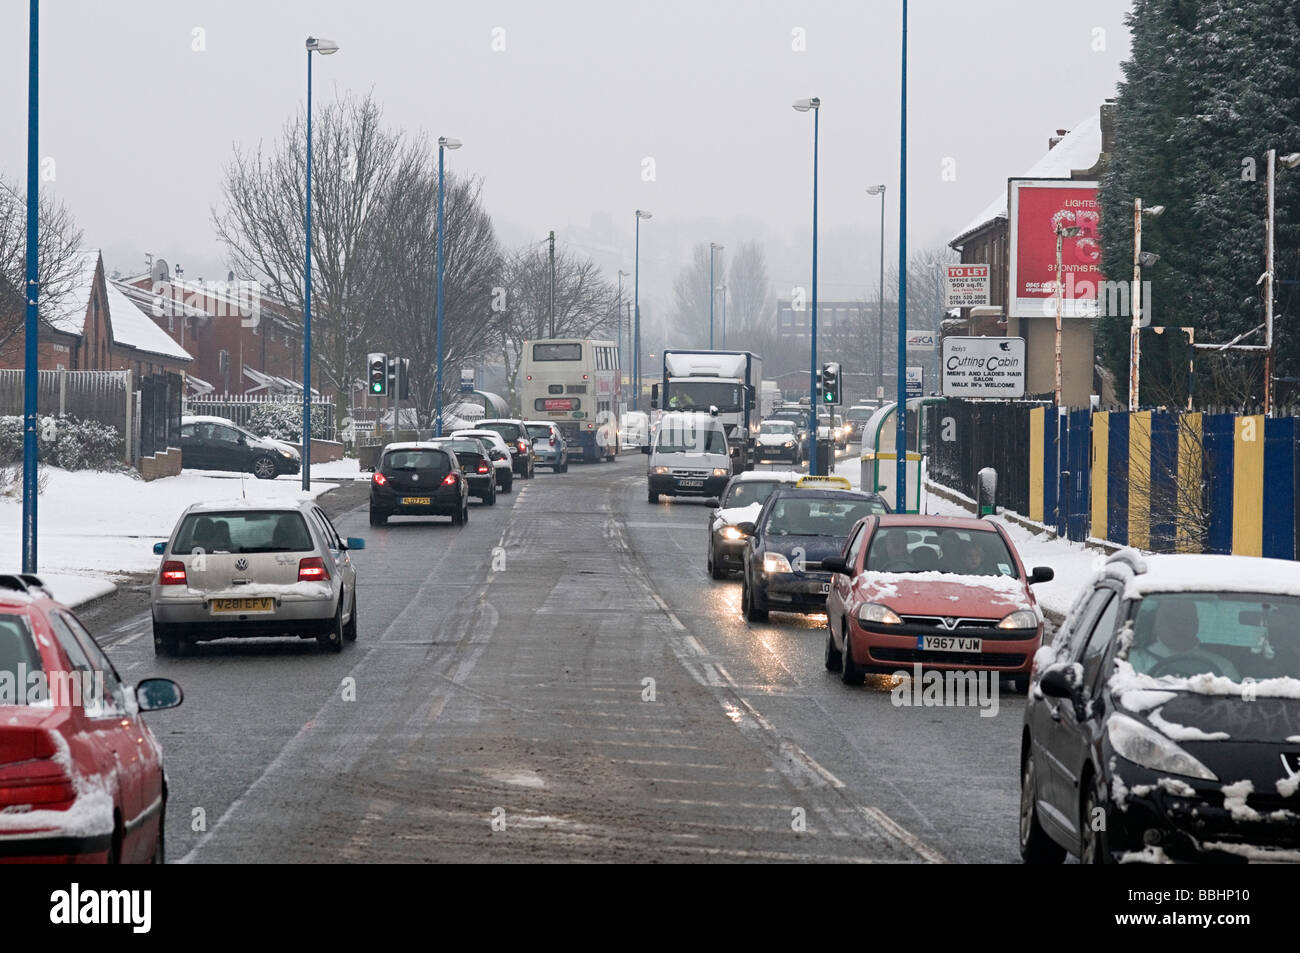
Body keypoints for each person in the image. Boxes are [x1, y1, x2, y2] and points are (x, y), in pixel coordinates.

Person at [1126, 599, 1240, 680]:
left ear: (1196, 624)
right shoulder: (1132, 663)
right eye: (1170, 619)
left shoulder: (1222, 668)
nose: (1177, 626)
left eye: (1184, 620)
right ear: (1157, 624)